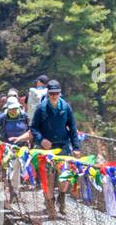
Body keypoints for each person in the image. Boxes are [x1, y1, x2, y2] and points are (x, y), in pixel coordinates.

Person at [30, 79, 79, 217]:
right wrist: (41, 140)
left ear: (60, 93)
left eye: (56, 93)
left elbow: (73, 128)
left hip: (63, 146)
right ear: (48, 93)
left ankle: (61, 197)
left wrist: (76, 147)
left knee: (65, 178)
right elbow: (33, 128)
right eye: (51, 93)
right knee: (49, 178)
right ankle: (50, 205)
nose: (54, 96)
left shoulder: (66, 107)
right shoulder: (41, 108)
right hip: (47, 150)